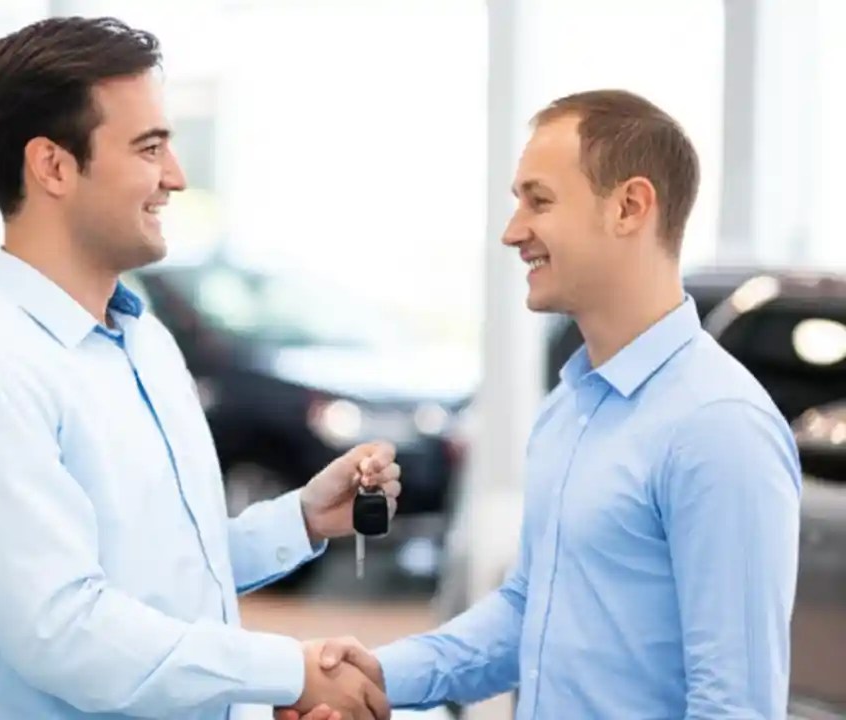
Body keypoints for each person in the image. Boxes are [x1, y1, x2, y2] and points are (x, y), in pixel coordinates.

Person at [0, 15, 398, 720]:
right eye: (149, 148)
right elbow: (65, 630)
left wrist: (302, 520)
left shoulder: (143, 341)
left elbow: (164, 578)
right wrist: (287, 672)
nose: (176, 176)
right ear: (52, 165)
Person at [282, 89, 802, 719]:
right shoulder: (569, 409)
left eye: (539, 201)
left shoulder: (718, 427)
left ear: (630, 207)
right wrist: (380, 674)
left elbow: (736, 706)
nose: (513, 231)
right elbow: (531, 610)